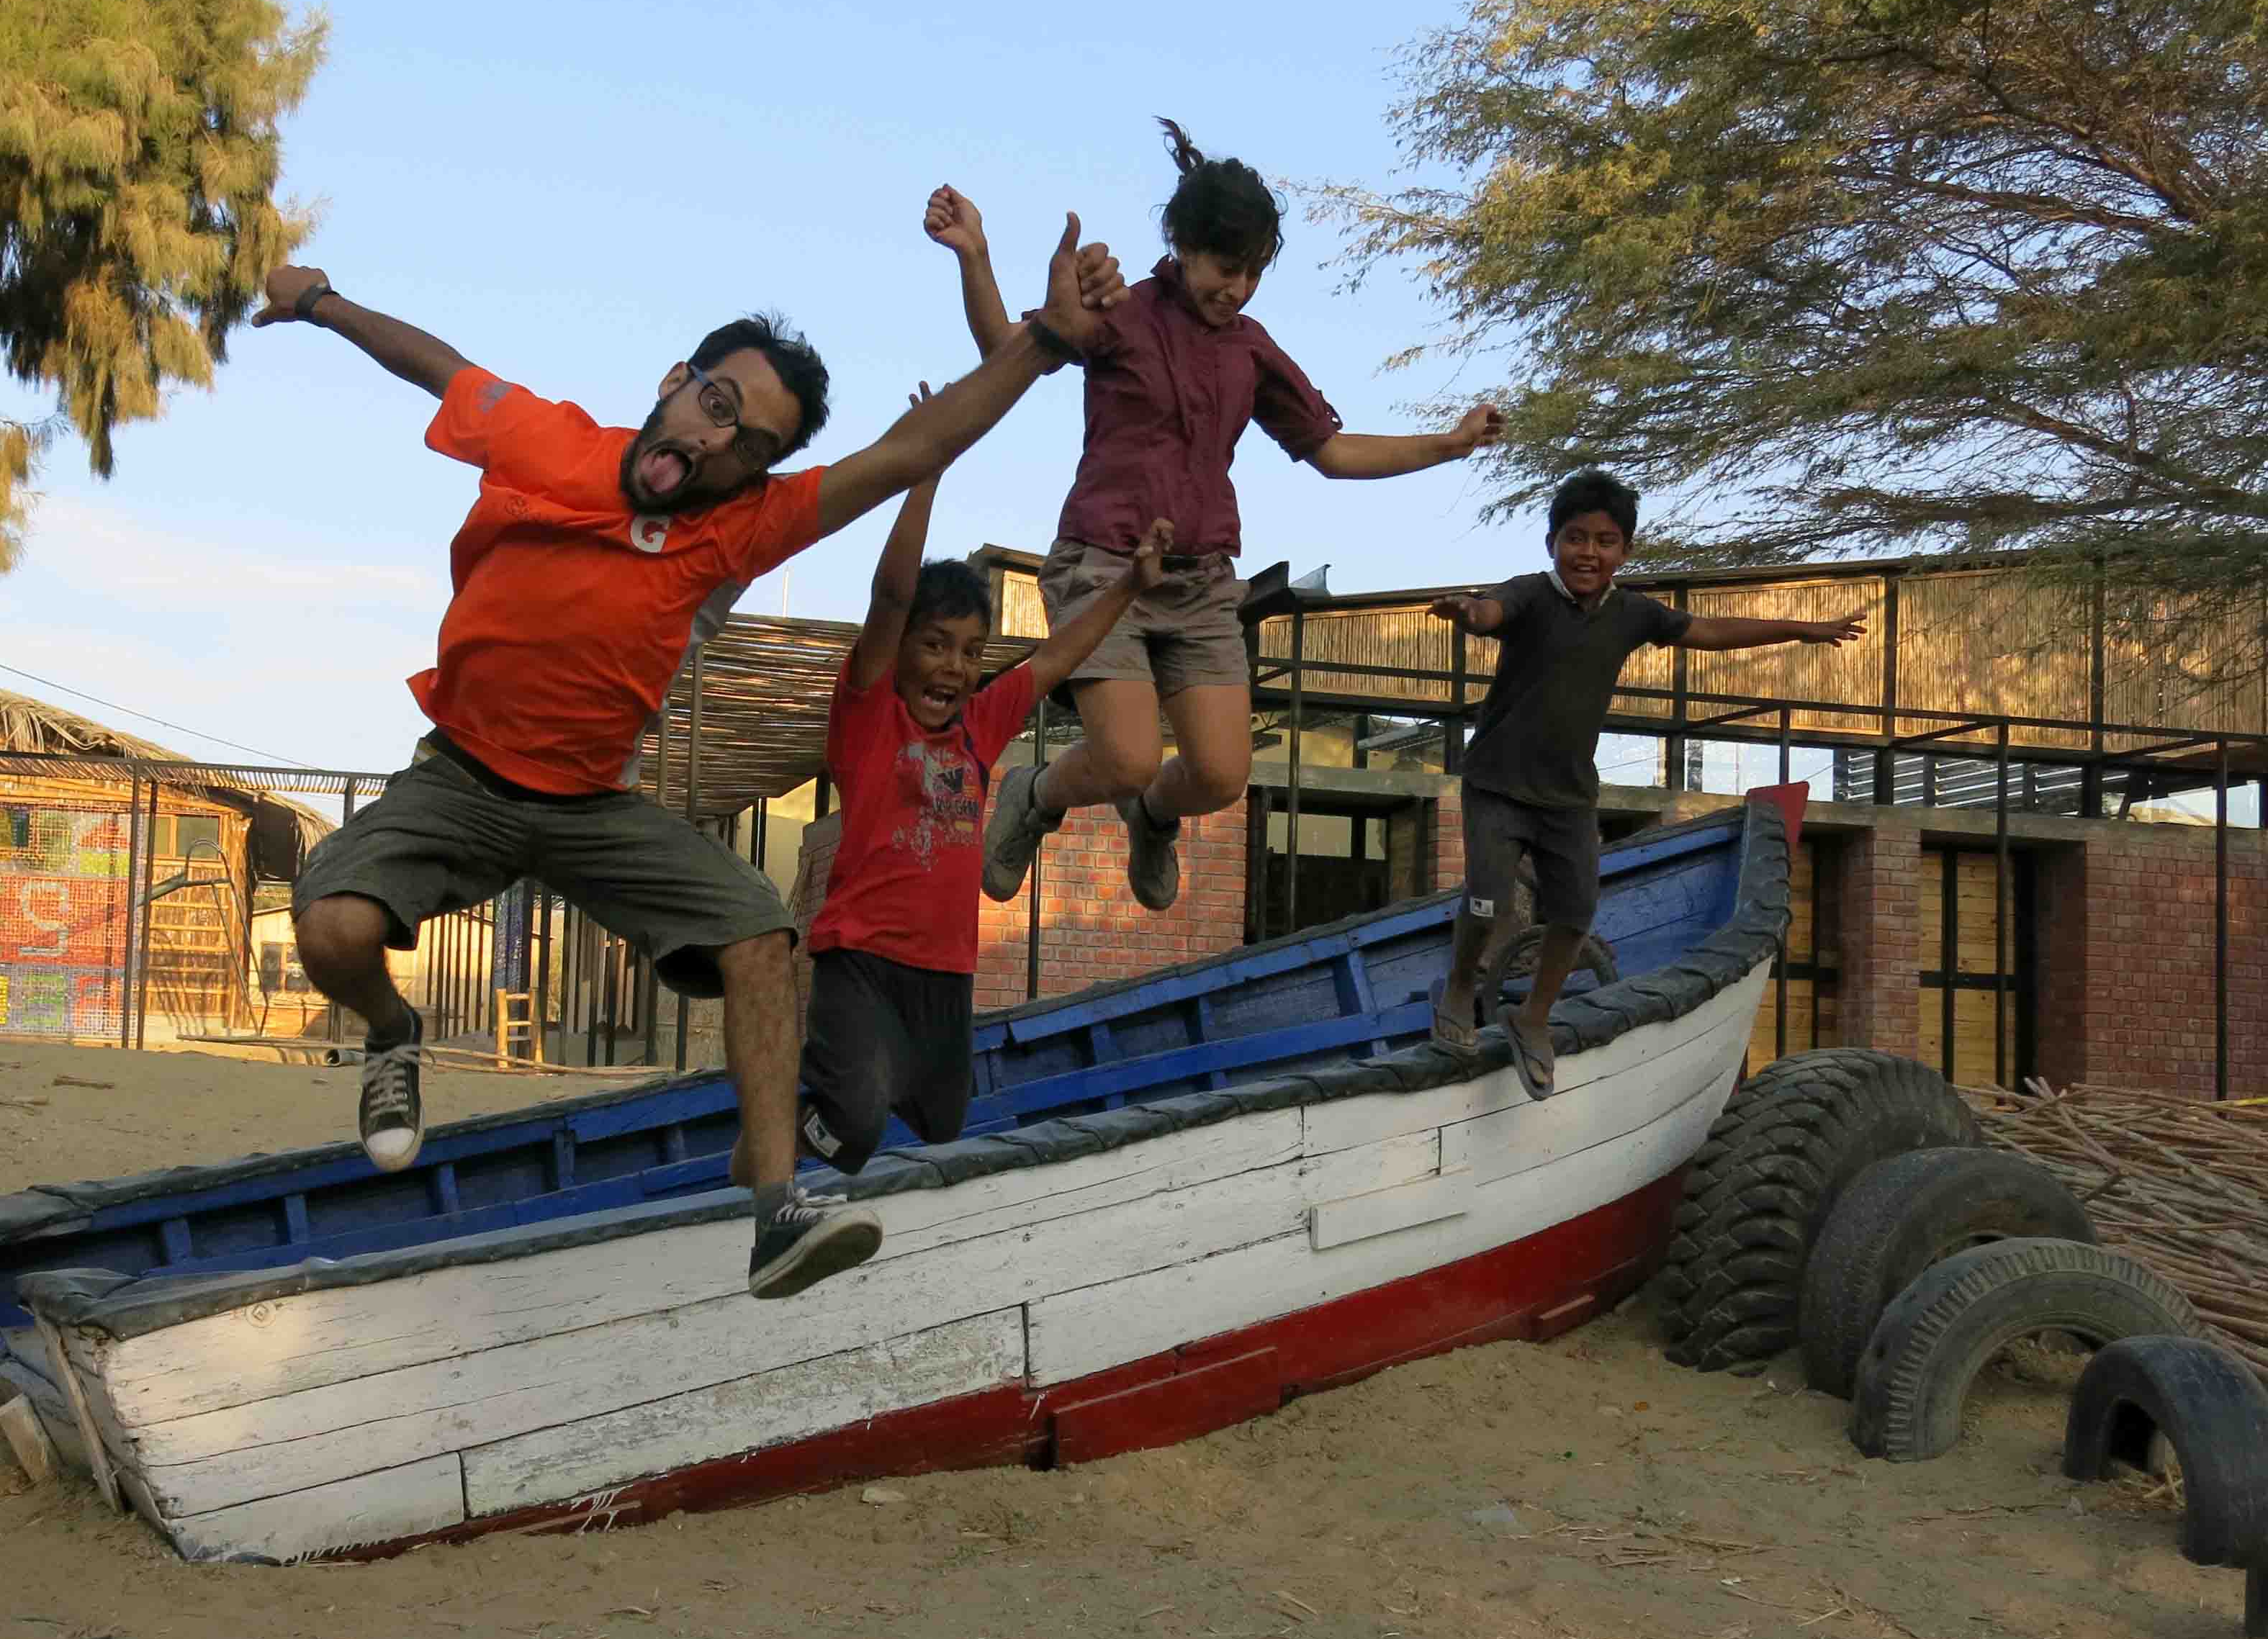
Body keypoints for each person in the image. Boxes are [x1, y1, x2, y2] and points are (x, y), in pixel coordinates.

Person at [254, 217, 1128, 1301]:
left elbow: (914, 449)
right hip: (462, 778)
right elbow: (432, 362)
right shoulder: (542, 438)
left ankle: (776, 1209)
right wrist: (320, 299)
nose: (718, 444)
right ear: (677, 383)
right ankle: (394, 1034)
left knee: (762, 938)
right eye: (716, 406)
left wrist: (1044, 341)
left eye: (752, 443)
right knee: (331, 925)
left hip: (590, 807)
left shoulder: (744, 529)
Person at [924, 121, 1504, 918]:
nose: (1236, 287)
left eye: (1252, 273)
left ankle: (1154, 819)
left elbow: (1331, 451)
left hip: (1200, 583)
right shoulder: (1121, 313)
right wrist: (974, 253)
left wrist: (1447, 444)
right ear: (1184, 247)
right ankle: (1034, 795)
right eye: (1224, 268)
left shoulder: (1250, 350)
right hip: (1105, 568)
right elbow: (1003, 347)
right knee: (1126, 758)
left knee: (1220, 775)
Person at [796, 386, 1173, 1175]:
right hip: (860, 961)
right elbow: (890, 595)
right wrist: (925, 475)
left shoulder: (983, 723)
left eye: (969, 652)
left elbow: (1058, 657)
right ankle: (776, 1122)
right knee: (854, 1130)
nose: (953, 667)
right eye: (935, 646)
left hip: (946, 971)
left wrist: (1130, 588)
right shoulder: (870, 715)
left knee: (940, 1128)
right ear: (899, 651)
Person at [1427, 467, 1866, 1100]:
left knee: (1576, 913)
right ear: (1552, 541)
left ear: (1624, 552)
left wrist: (1801, 628)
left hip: (1569, 795)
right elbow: (1492, 612)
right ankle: (1462, 984)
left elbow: (1709, 632)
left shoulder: (1631, 613)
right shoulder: (1528, 594)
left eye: (1604, 542)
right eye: (1575, 538)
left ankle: (1532, 1017)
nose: (1588, 553)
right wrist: (1468, 614)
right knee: (1488, 899)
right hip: (1497, 783)